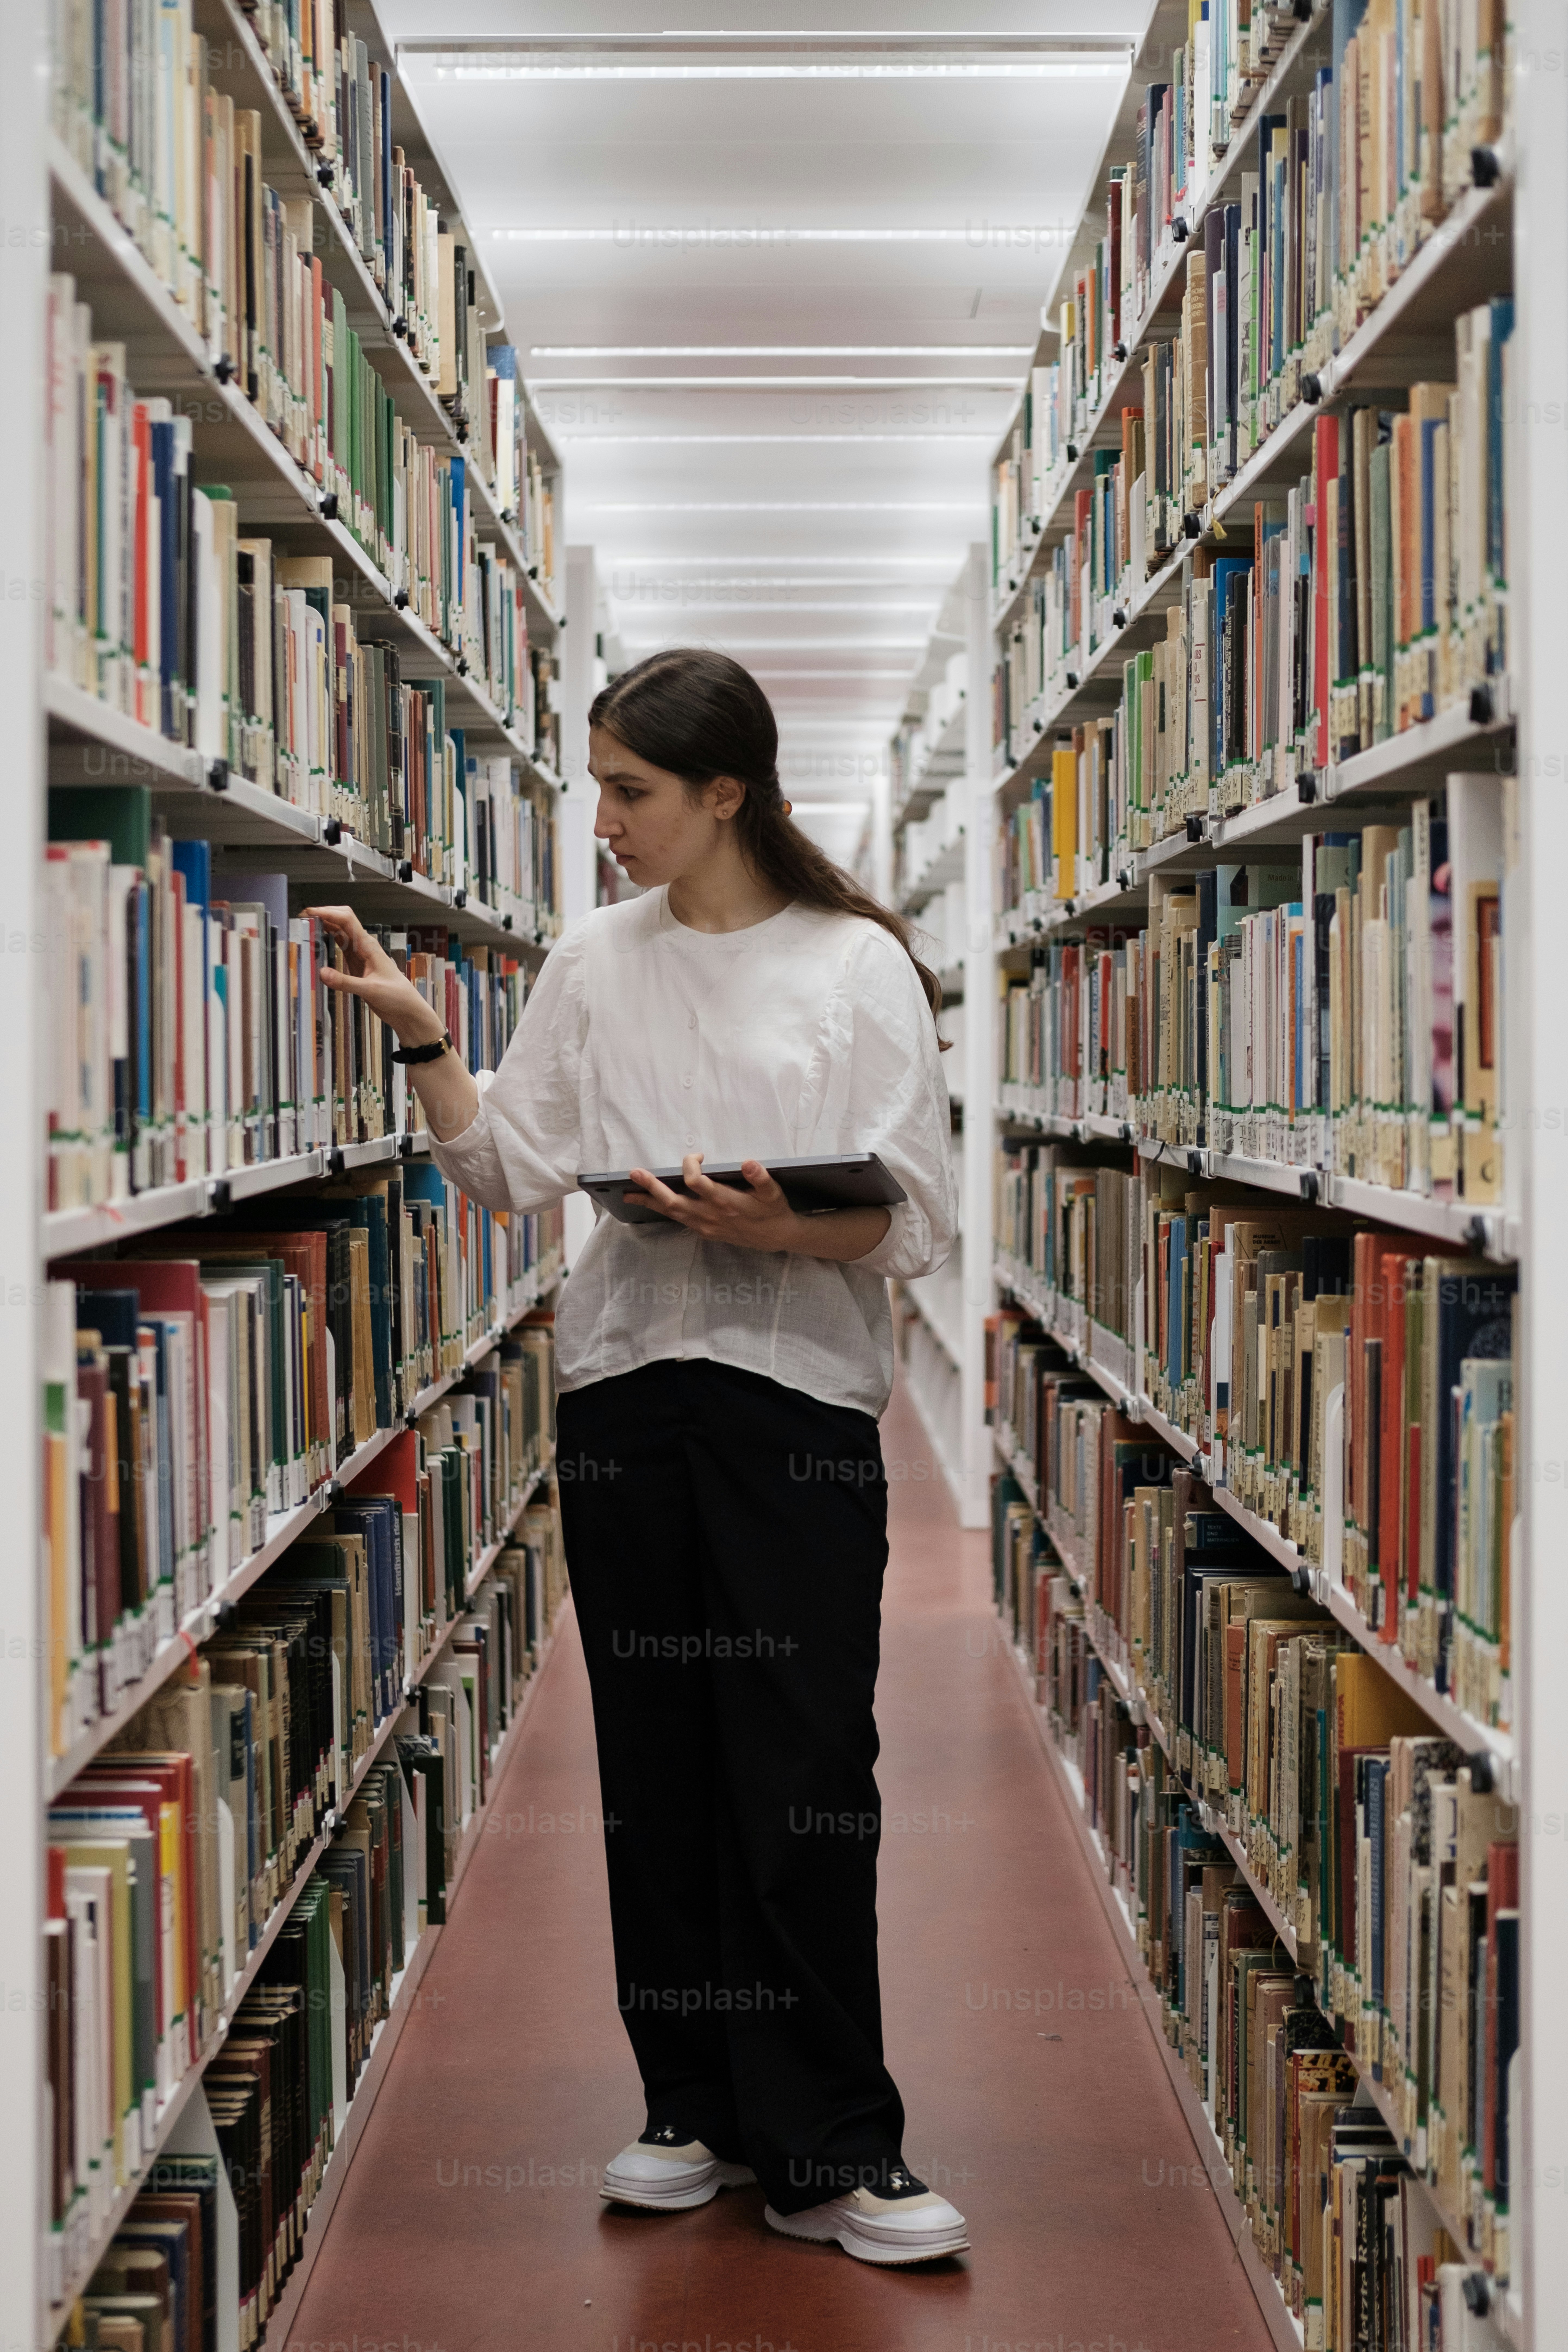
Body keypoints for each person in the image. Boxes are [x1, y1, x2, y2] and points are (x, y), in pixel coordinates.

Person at [307, 647, 965, 2267]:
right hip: (623, 1393)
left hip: (794, 1404)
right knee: (657, 1763)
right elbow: (514, 1173)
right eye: (598, 784)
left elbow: (919, 1224)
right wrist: (422, 1039)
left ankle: (835, 2136)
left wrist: (785, 1222)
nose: (600, 819)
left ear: (723, 792)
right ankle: (691, 2101)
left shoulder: (857, 964)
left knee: (804, 1771)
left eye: (629, 790)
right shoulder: (595, 959)